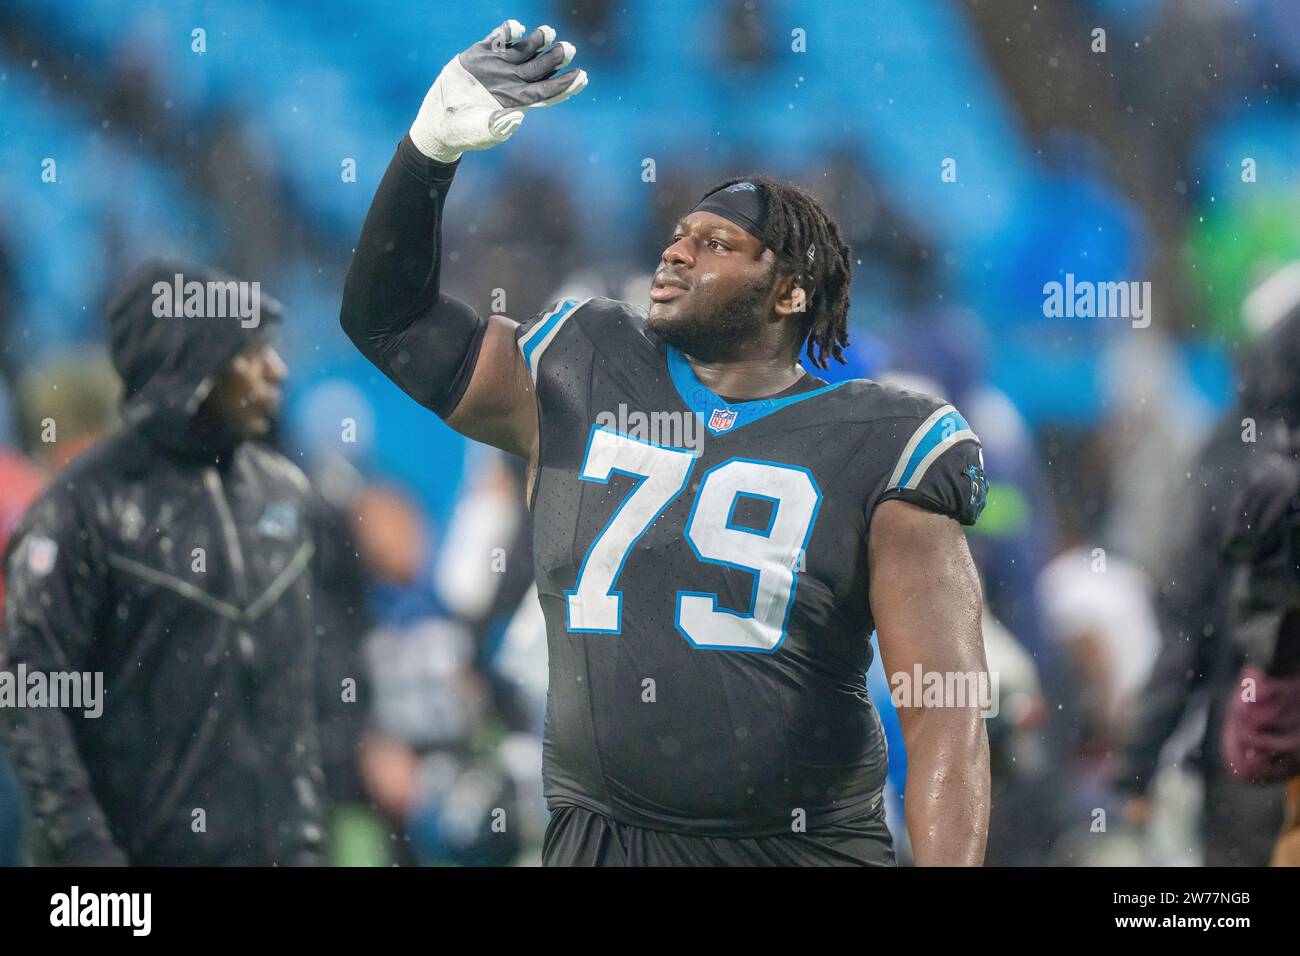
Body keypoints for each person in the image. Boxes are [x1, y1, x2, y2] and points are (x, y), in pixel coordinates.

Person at [341, 19, 990, 866]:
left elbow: (944, 714)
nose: (678, 252)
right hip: (599, 843)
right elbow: (386, 320)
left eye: (718, 243)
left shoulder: (882, 444)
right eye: (679, 235)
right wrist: (427, 153)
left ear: (790, 292)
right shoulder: (583, 364)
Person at [0, 260, 325, 866]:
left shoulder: (286, 495)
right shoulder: (79, 512)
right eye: (250, 352)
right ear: (191, 367)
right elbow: (30, 697)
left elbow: (308, 695)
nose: (276, 370)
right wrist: (91, 859)